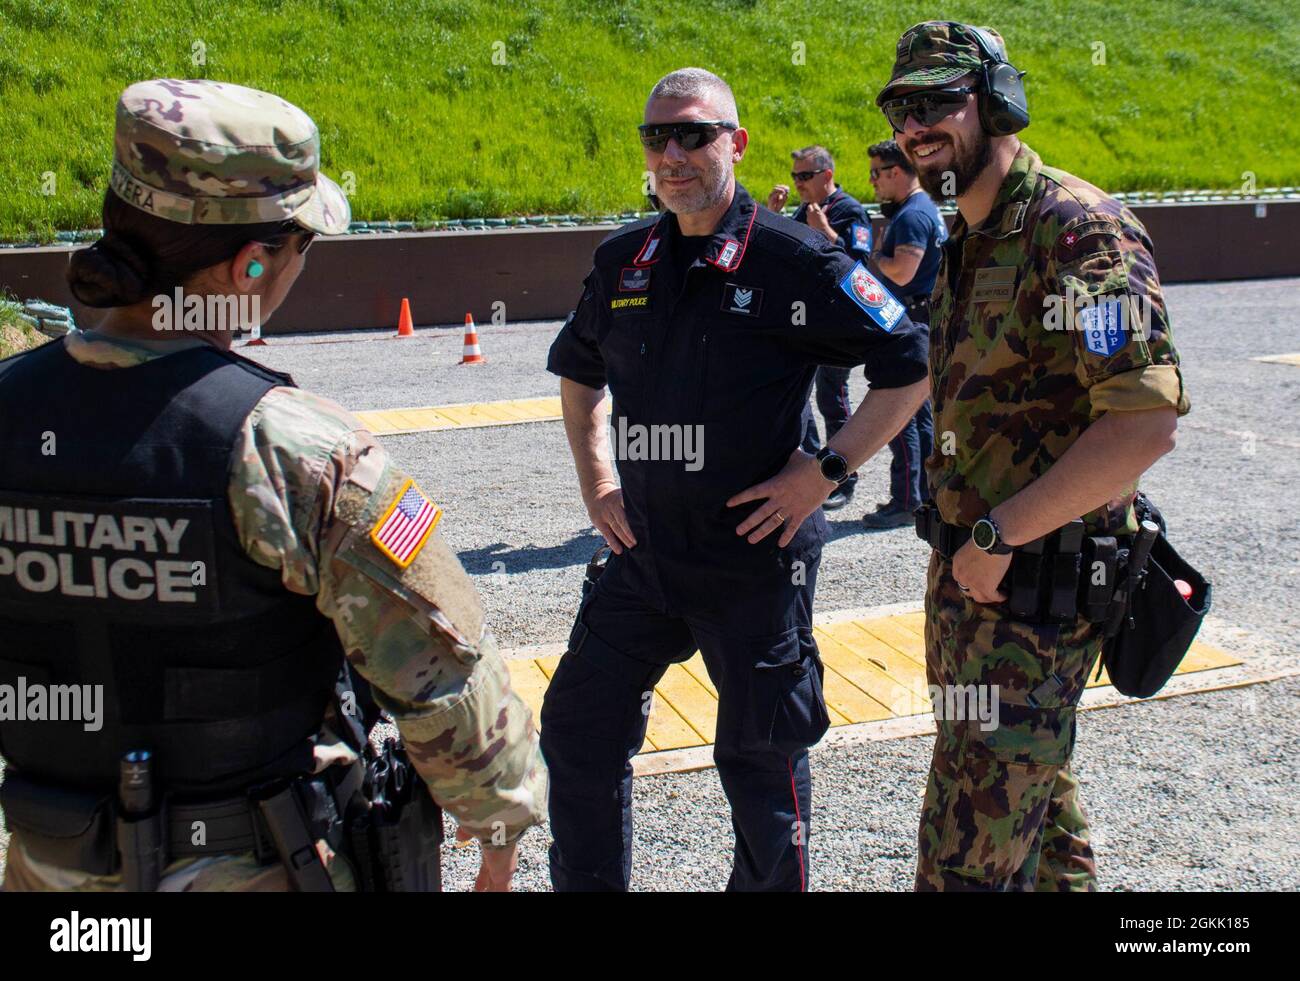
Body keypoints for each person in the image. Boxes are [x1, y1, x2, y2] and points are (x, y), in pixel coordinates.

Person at [0, 79, 546, 892]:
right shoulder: (296, 451)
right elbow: (442, 672)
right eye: (301, 247)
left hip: (50, 866)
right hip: (258, 863)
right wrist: (499, 831)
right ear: (251, 261)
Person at [543, 67, 929, 891]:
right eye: (658, 136)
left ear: (737, 143)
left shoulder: (798, 260)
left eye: (695, 134)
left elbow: (911, 364)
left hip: (756, 555)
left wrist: (824, 471)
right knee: (577, 727)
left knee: (760, 759)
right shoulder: (624, 260)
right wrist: (598, 484)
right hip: (643, 551)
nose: (673, 153)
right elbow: (578, 371)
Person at [875, 23, 1189, 891]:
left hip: (1032, 595)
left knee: (962, 860)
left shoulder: (1077, 228)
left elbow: (1143, 422)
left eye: (940, 102)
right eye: (904, 108)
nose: (917, 125)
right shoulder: (968, 236)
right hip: (977, 590)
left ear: (999, 102)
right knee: (1044, 825)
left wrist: (998, 533)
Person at [768, 146, 873, 511]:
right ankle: (815, 470)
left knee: (833, 398)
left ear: (826, 175)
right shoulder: (802, 210)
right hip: (803, 321)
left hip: (835, 322)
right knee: (798, 399)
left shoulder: (849, 210)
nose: (798, 183)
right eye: (795, 176)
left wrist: (825, 231)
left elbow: (859, 267)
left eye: (805, 176)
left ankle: (845, 476)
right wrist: (774, 215)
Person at [860, 139, 947, 529]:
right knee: (921, 415)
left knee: (901, 417)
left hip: (911, 323)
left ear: (896, 171)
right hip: (923, 320)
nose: (872, 181)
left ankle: (906, 501)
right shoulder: (922, 207)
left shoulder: (912, 214)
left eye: (877, 172)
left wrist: (875, 257)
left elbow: (901, 272)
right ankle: (925, 495)